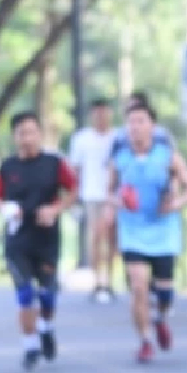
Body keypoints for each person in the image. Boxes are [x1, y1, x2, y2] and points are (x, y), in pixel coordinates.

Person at [111, 99, 187, 363]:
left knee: (164, 295)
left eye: (141, 121)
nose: (135, 127)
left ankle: (160, 317)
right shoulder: (120, 157)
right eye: (131, 122)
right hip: (133, 230)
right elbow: (108, 192)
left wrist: (176, 205)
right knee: (138, 286)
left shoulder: (167, 156)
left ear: (152, 125)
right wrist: (118, 200)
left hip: (163, 231)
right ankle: (145, 340)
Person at [0, 111, 78, 371]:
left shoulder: (54, 163)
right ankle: (29, 345)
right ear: (14, 137)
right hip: (18, 239)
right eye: (21, 133)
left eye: (31, 132)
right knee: (25, 292)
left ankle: (46, 327)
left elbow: (73, 190)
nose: (27, 138)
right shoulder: (8, 167)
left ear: (40, 134)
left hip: (47, 238)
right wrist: (6, 209)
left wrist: (55, 210)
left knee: (48, 294)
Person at [67, 98, 122, 303]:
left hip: (116, 196)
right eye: (96, 113)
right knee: (96, 237)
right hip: (92, 194)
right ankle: (98, 281)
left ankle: (109, 279)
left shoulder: (118, 137)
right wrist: (74, 196)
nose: (100, 117)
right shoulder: (82, 139)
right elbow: (75, 169)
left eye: (104, 112)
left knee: (113, 239)